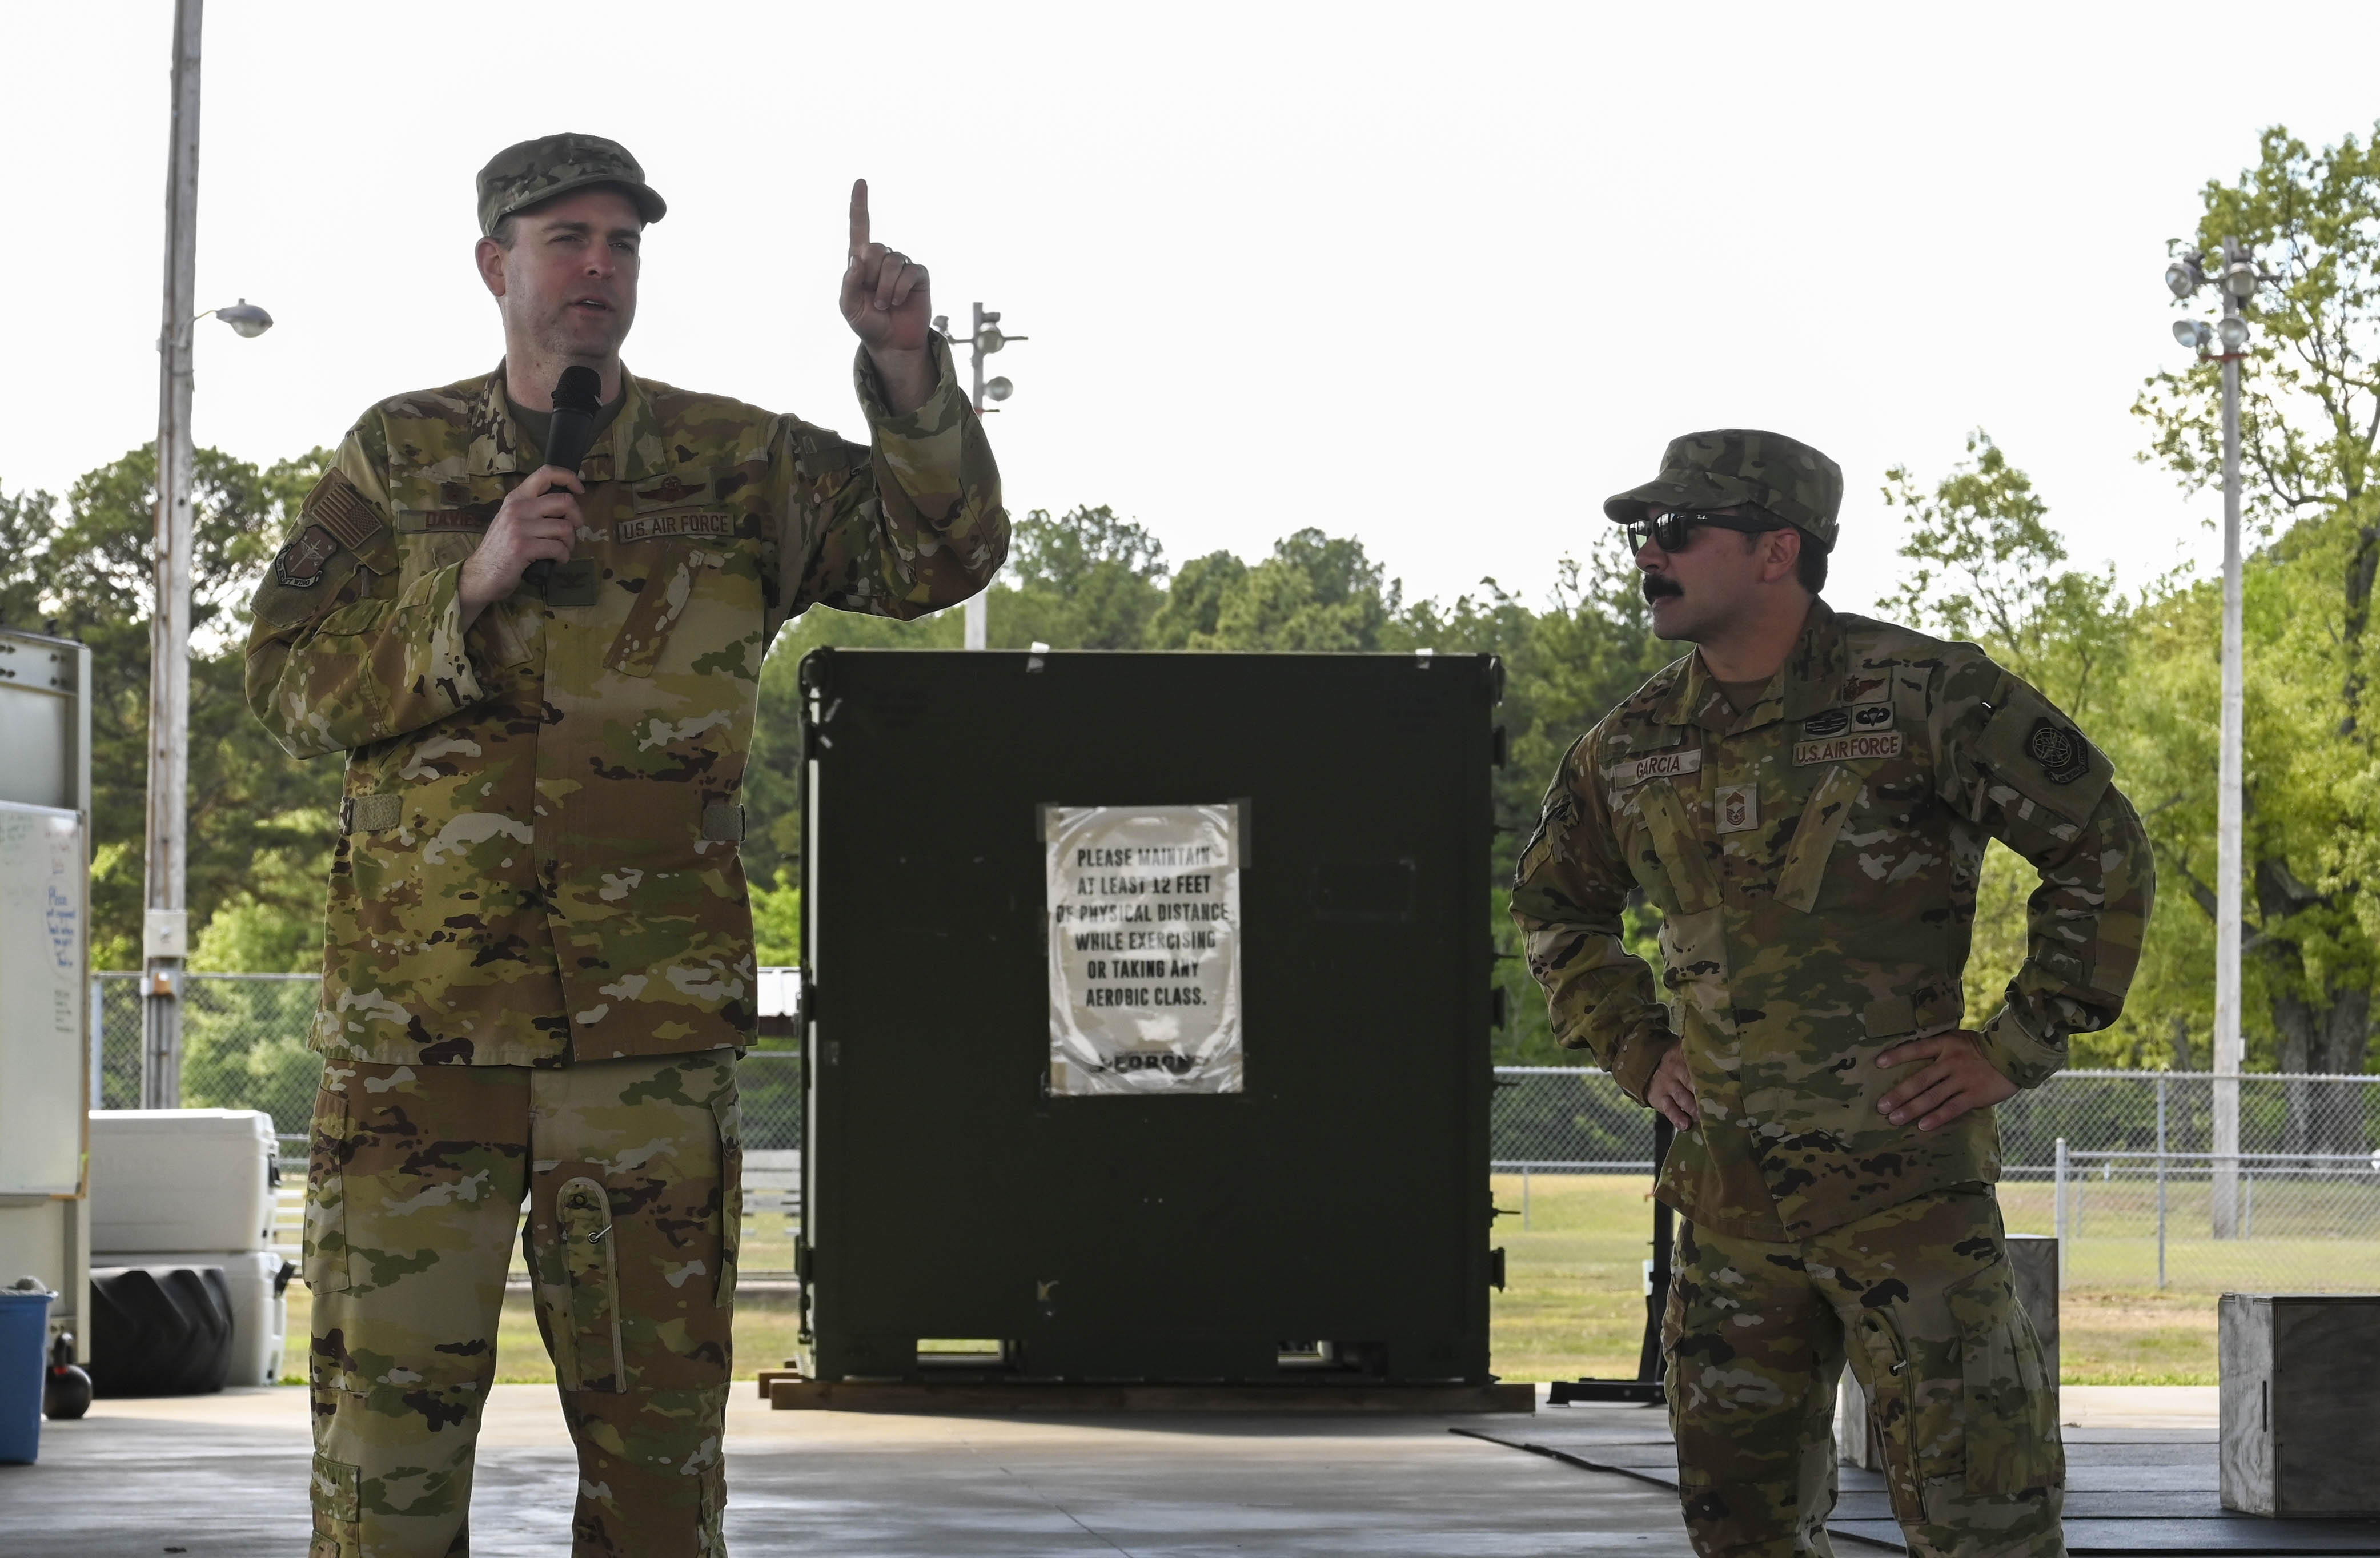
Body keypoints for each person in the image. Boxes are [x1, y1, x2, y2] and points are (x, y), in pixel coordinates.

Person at [246, 132, 1004, 1558]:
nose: (599, 265)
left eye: (623, 242)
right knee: (384, 1455)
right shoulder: (401, 453)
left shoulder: (734, 462)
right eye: (567, 239)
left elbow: (937, 555)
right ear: (497, 265)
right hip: (421, 1043)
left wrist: (905, 366)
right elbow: (285, 680)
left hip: (642, 1047)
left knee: (657, 1459)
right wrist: (466, 589)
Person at [1510, 430, 2152, 1558]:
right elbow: (1556, 907)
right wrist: (1634, 1044)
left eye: (1677, 531)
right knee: (1739, 1532)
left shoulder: (1926, 696)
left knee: (1984, 1522)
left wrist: (2014, 1041)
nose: (1648, 555)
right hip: (1727, 1212)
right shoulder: (1631, 744)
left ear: (1776, 549)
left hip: (1906, 1198)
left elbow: (2098, 844)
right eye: (1642, 533)